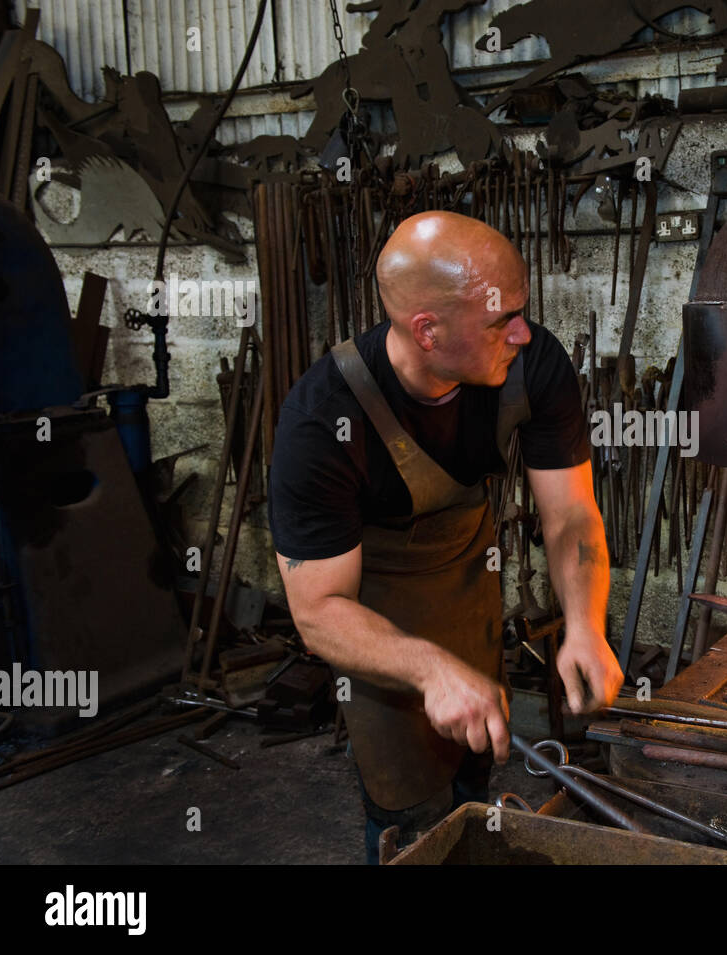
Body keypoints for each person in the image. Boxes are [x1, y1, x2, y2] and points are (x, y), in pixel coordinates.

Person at [267, 210, 623, 862]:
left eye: (522, 310)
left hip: (467, 587)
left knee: (475, 782)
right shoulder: (323, 420)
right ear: (427, 331)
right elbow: (318, 611)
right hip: (373, 619)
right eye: (499, 321)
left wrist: (584, 623)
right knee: (414, 815)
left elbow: (571, 515)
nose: (523, 332)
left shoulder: (531, 362)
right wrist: (430, 670)